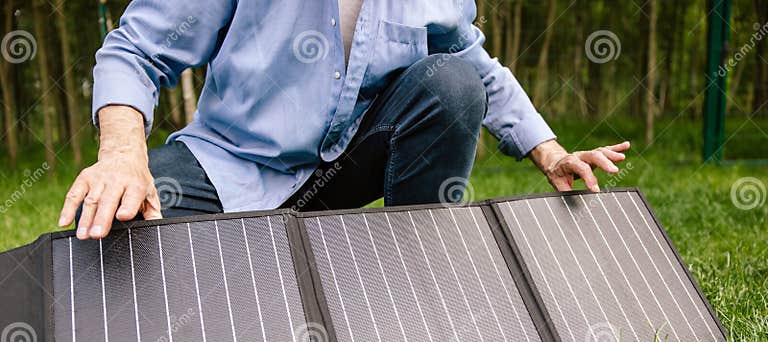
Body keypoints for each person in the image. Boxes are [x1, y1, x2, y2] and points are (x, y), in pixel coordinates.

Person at [58, 1, 630, 240]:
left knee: (451, 84)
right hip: (230, 162)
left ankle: (411, 276)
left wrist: (549, 150)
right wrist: (122, 157)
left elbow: (473, 66)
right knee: (101, 234)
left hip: (345, 164)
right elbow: (136, 50)